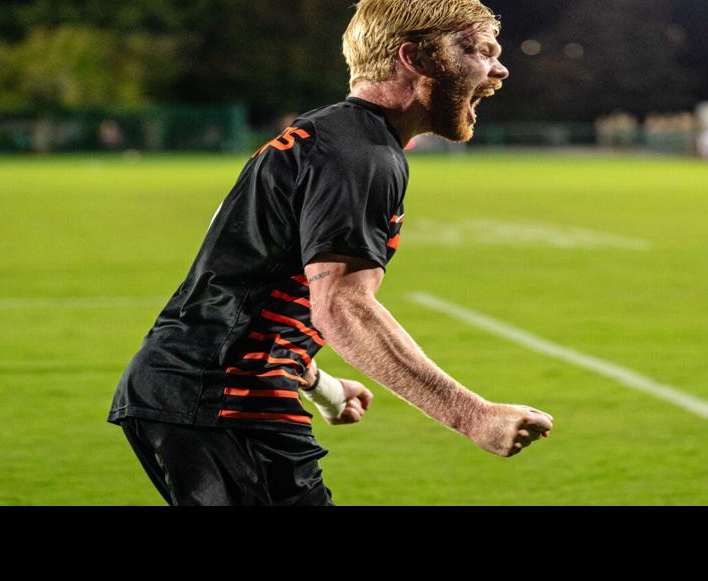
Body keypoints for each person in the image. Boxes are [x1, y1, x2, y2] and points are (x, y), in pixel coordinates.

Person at [107, 0, 552, 506]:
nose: (499, 68)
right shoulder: (358, 156)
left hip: (202, 396)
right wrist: (472, 415)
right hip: (226, 405)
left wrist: (316, 380)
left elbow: (250, 283)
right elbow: (341, 304)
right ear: (417, 59)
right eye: (478, 50)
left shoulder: (331, 138)